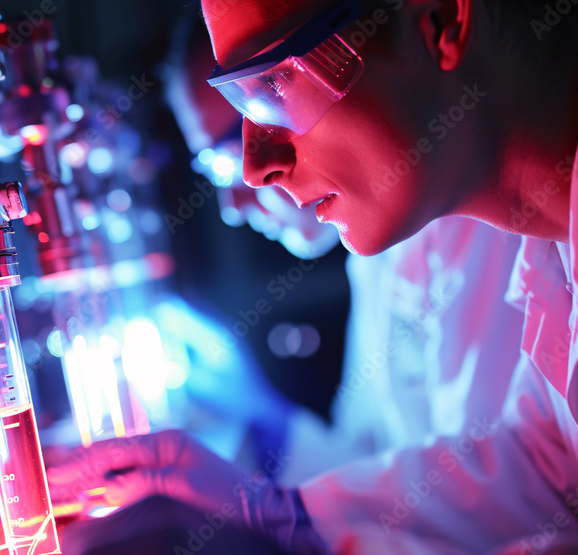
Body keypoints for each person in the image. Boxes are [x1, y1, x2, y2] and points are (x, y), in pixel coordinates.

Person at [50, 0, 578, 555]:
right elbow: (549, 473)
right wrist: (281, 517)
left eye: (275, 84)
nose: (256, 168)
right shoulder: (556, 242)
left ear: (442, 18)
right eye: (241, 106)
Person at [161, 13, 525, 482]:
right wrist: (269, 429)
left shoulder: (468, 218)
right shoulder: (376, 250)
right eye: (217, 163)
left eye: (272, 94)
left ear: (436, 19)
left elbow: (492, 502)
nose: (243, 189)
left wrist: (273, 473)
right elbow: (376, 460)